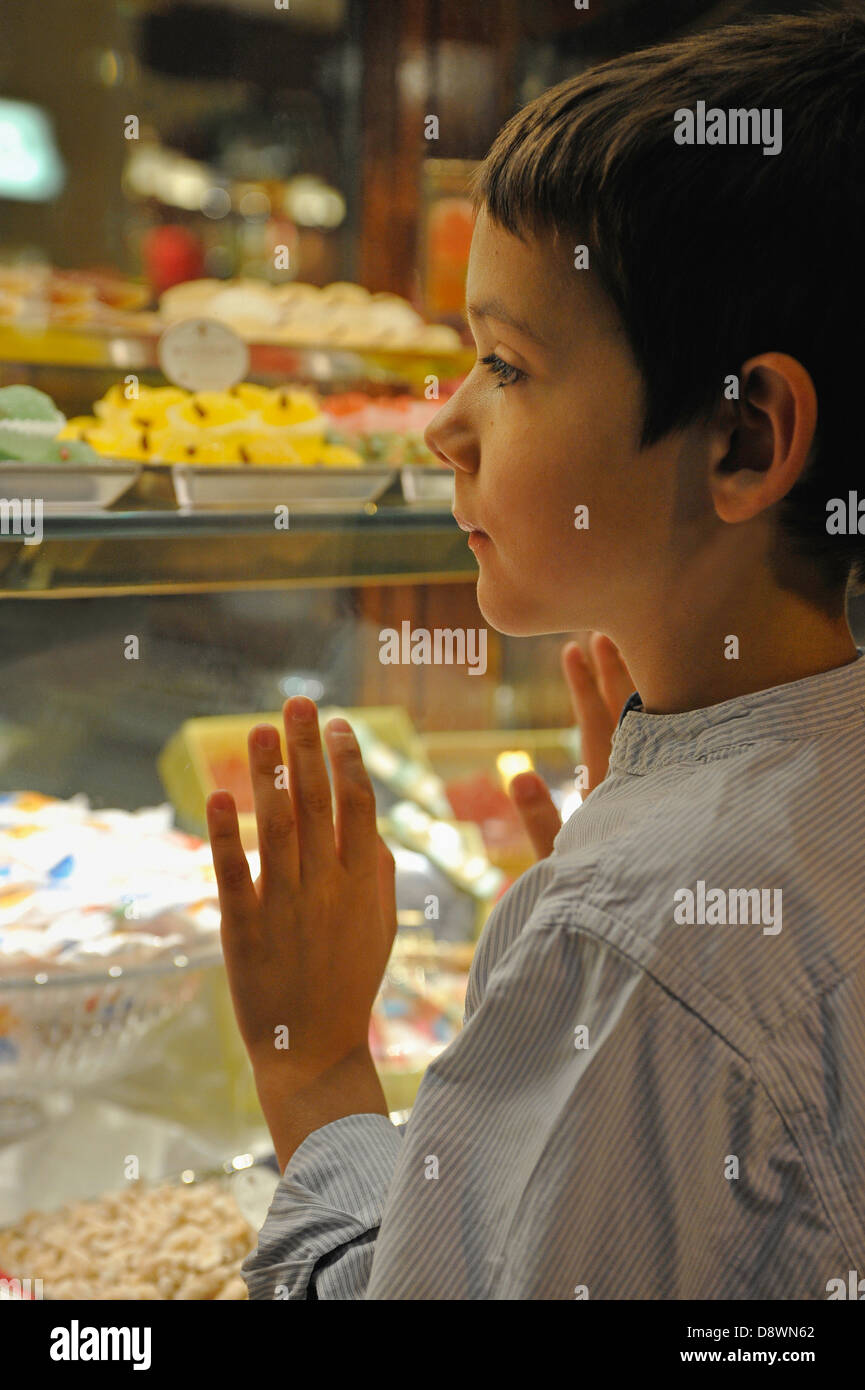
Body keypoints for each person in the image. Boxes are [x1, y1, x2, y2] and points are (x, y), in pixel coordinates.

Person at [206, 10, 865, 1299]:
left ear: (742, 437)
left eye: (506, 364)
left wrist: (318, 1061)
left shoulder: (642, 939)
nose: (447, 425)